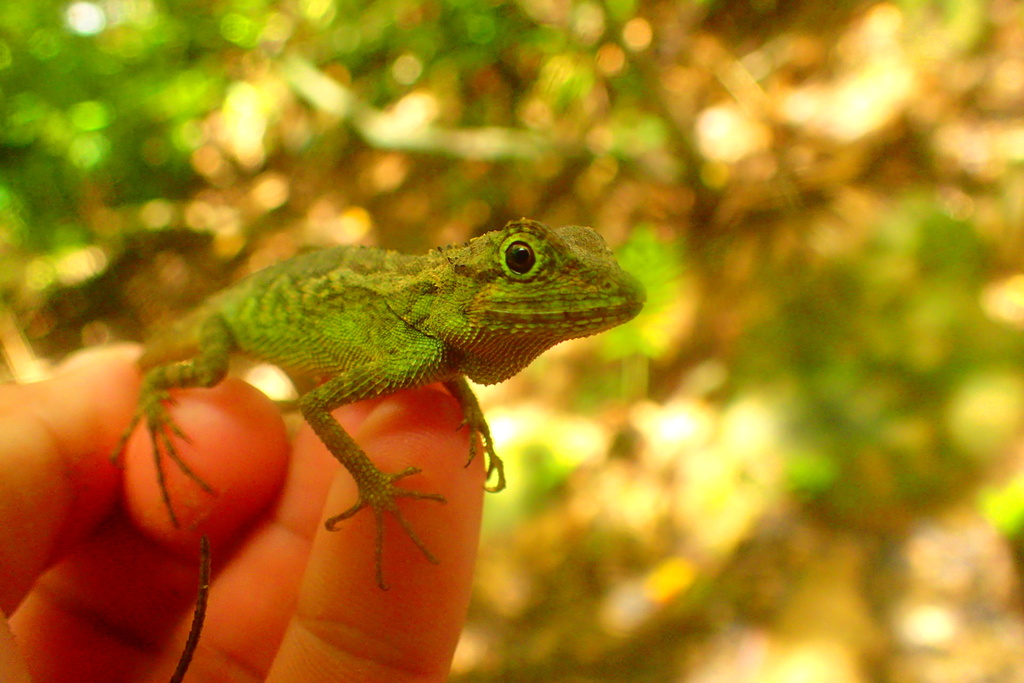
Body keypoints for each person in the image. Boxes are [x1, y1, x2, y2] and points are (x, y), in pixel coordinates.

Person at [0, 346, 483, 682]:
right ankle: (155, 391)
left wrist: (469, 408)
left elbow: (446, 367)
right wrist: (371, 477)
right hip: (232, 323)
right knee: (209, 374)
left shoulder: (436, 354)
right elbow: (316, 404)